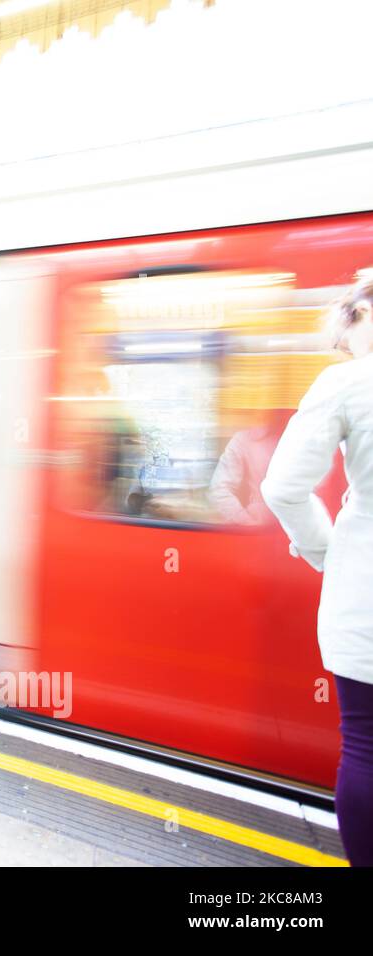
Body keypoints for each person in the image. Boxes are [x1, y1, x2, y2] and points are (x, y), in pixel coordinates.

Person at [261, 276, 373, 867]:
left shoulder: (349, 383)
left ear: (361, 313)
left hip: (368, 598)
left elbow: (283, 487)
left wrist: (327, 553)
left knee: (368, 745)